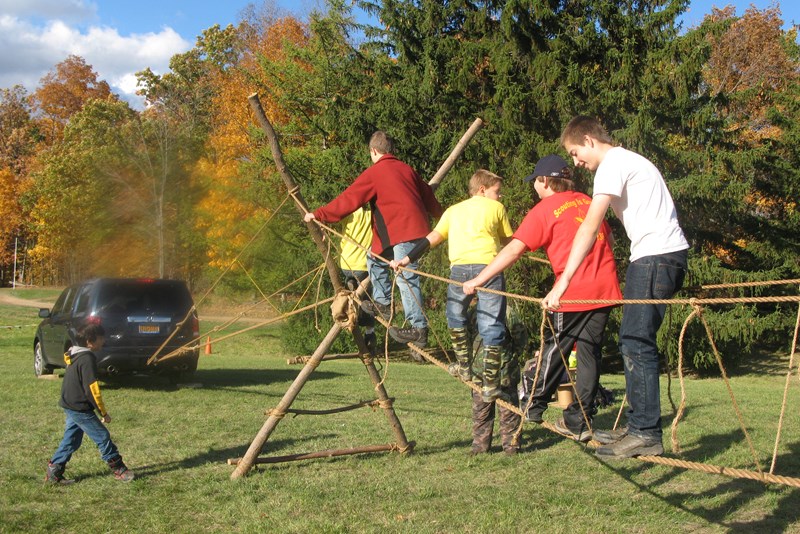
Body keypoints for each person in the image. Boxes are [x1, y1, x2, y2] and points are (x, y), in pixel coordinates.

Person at [542, 116, 689, 458]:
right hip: (661, 257)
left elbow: (590, 228)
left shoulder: (612, 165)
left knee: (635, 342)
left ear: (590, 140)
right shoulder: (628, 161)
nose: (576, 162)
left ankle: (645, 433)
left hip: (654, 257)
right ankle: (639, 424)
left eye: (576, 152)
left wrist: (563, 282)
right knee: (634, 340)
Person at [463, 155, 621, 442]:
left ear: (544, 181)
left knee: (556, 345)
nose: (534, 188)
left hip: (573, 291)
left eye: (535, 182)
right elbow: (608, 242)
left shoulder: (545, 208)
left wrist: (478, 279)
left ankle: (533, 403)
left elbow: (513, 250)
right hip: (606, 288)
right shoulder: (587, 201)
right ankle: (581, 418)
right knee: (588, 353)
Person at [304, 131, 443, 347]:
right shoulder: (407, 170)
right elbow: (429, 197)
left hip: (403, 233)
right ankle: (383, 304)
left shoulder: (376, 172)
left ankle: (418, 328)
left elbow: (349, 199)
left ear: (374, 151)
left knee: (405, 278)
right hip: (410, 232)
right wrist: (442, 218)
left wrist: (319, 214)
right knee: (374, 258)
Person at [391, 169, 513, 402]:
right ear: (482, 190)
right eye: (497, 192)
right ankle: (489, 384)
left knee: (455, 317)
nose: (500, 196)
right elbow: (509, 241)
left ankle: (464, 366)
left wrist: (406, 260)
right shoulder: (496, 208)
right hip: (489, 268)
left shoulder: (453, 211)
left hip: (458, 271)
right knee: (491, 324)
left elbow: (431, 239)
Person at [45, 323, 135, 484]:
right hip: (79, 407)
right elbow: (92, 388)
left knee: (71, 440)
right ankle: (119, 469)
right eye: (100, 338)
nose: (103, 341)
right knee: (102, 436)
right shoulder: (87, 358)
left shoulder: (75, 354)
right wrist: (103, 413)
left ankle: (54, 474)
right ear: (89, 341)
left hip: (70, 404)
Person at [339, 205, 377, 351]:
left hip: (346, 263)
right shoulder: (373, 216)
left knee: (355, 297)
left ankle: (351, 283)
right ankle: (369, 333)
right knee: (367, 301)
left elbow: (331, 217)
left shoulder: (348, 213)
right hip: (362, 266)